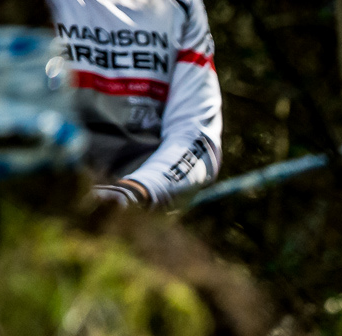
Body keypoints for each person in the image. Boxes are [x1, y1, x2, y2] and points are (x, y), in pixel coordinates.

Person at [46, 0, 222, 206]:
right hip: (36, 186)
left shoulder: (184, 6)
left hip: (135, 205)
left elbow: (195, 135)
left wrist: (133, 192)